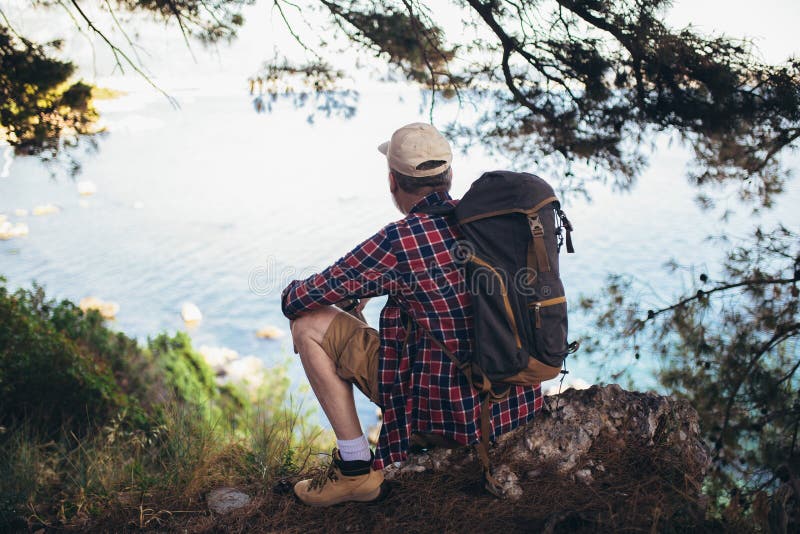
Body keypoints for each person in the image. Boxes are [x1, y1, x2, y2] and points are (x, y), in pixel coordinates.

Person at [281, 122, 543, 506]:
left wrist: (356, 292)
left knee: (307, 324)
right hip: (515, 403)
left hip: (446, 416)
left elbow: (299, 299)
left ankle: (355, 471)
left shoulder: (398, 241)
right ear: (450, 175)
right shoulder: (491, 226)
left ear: (392, 182)